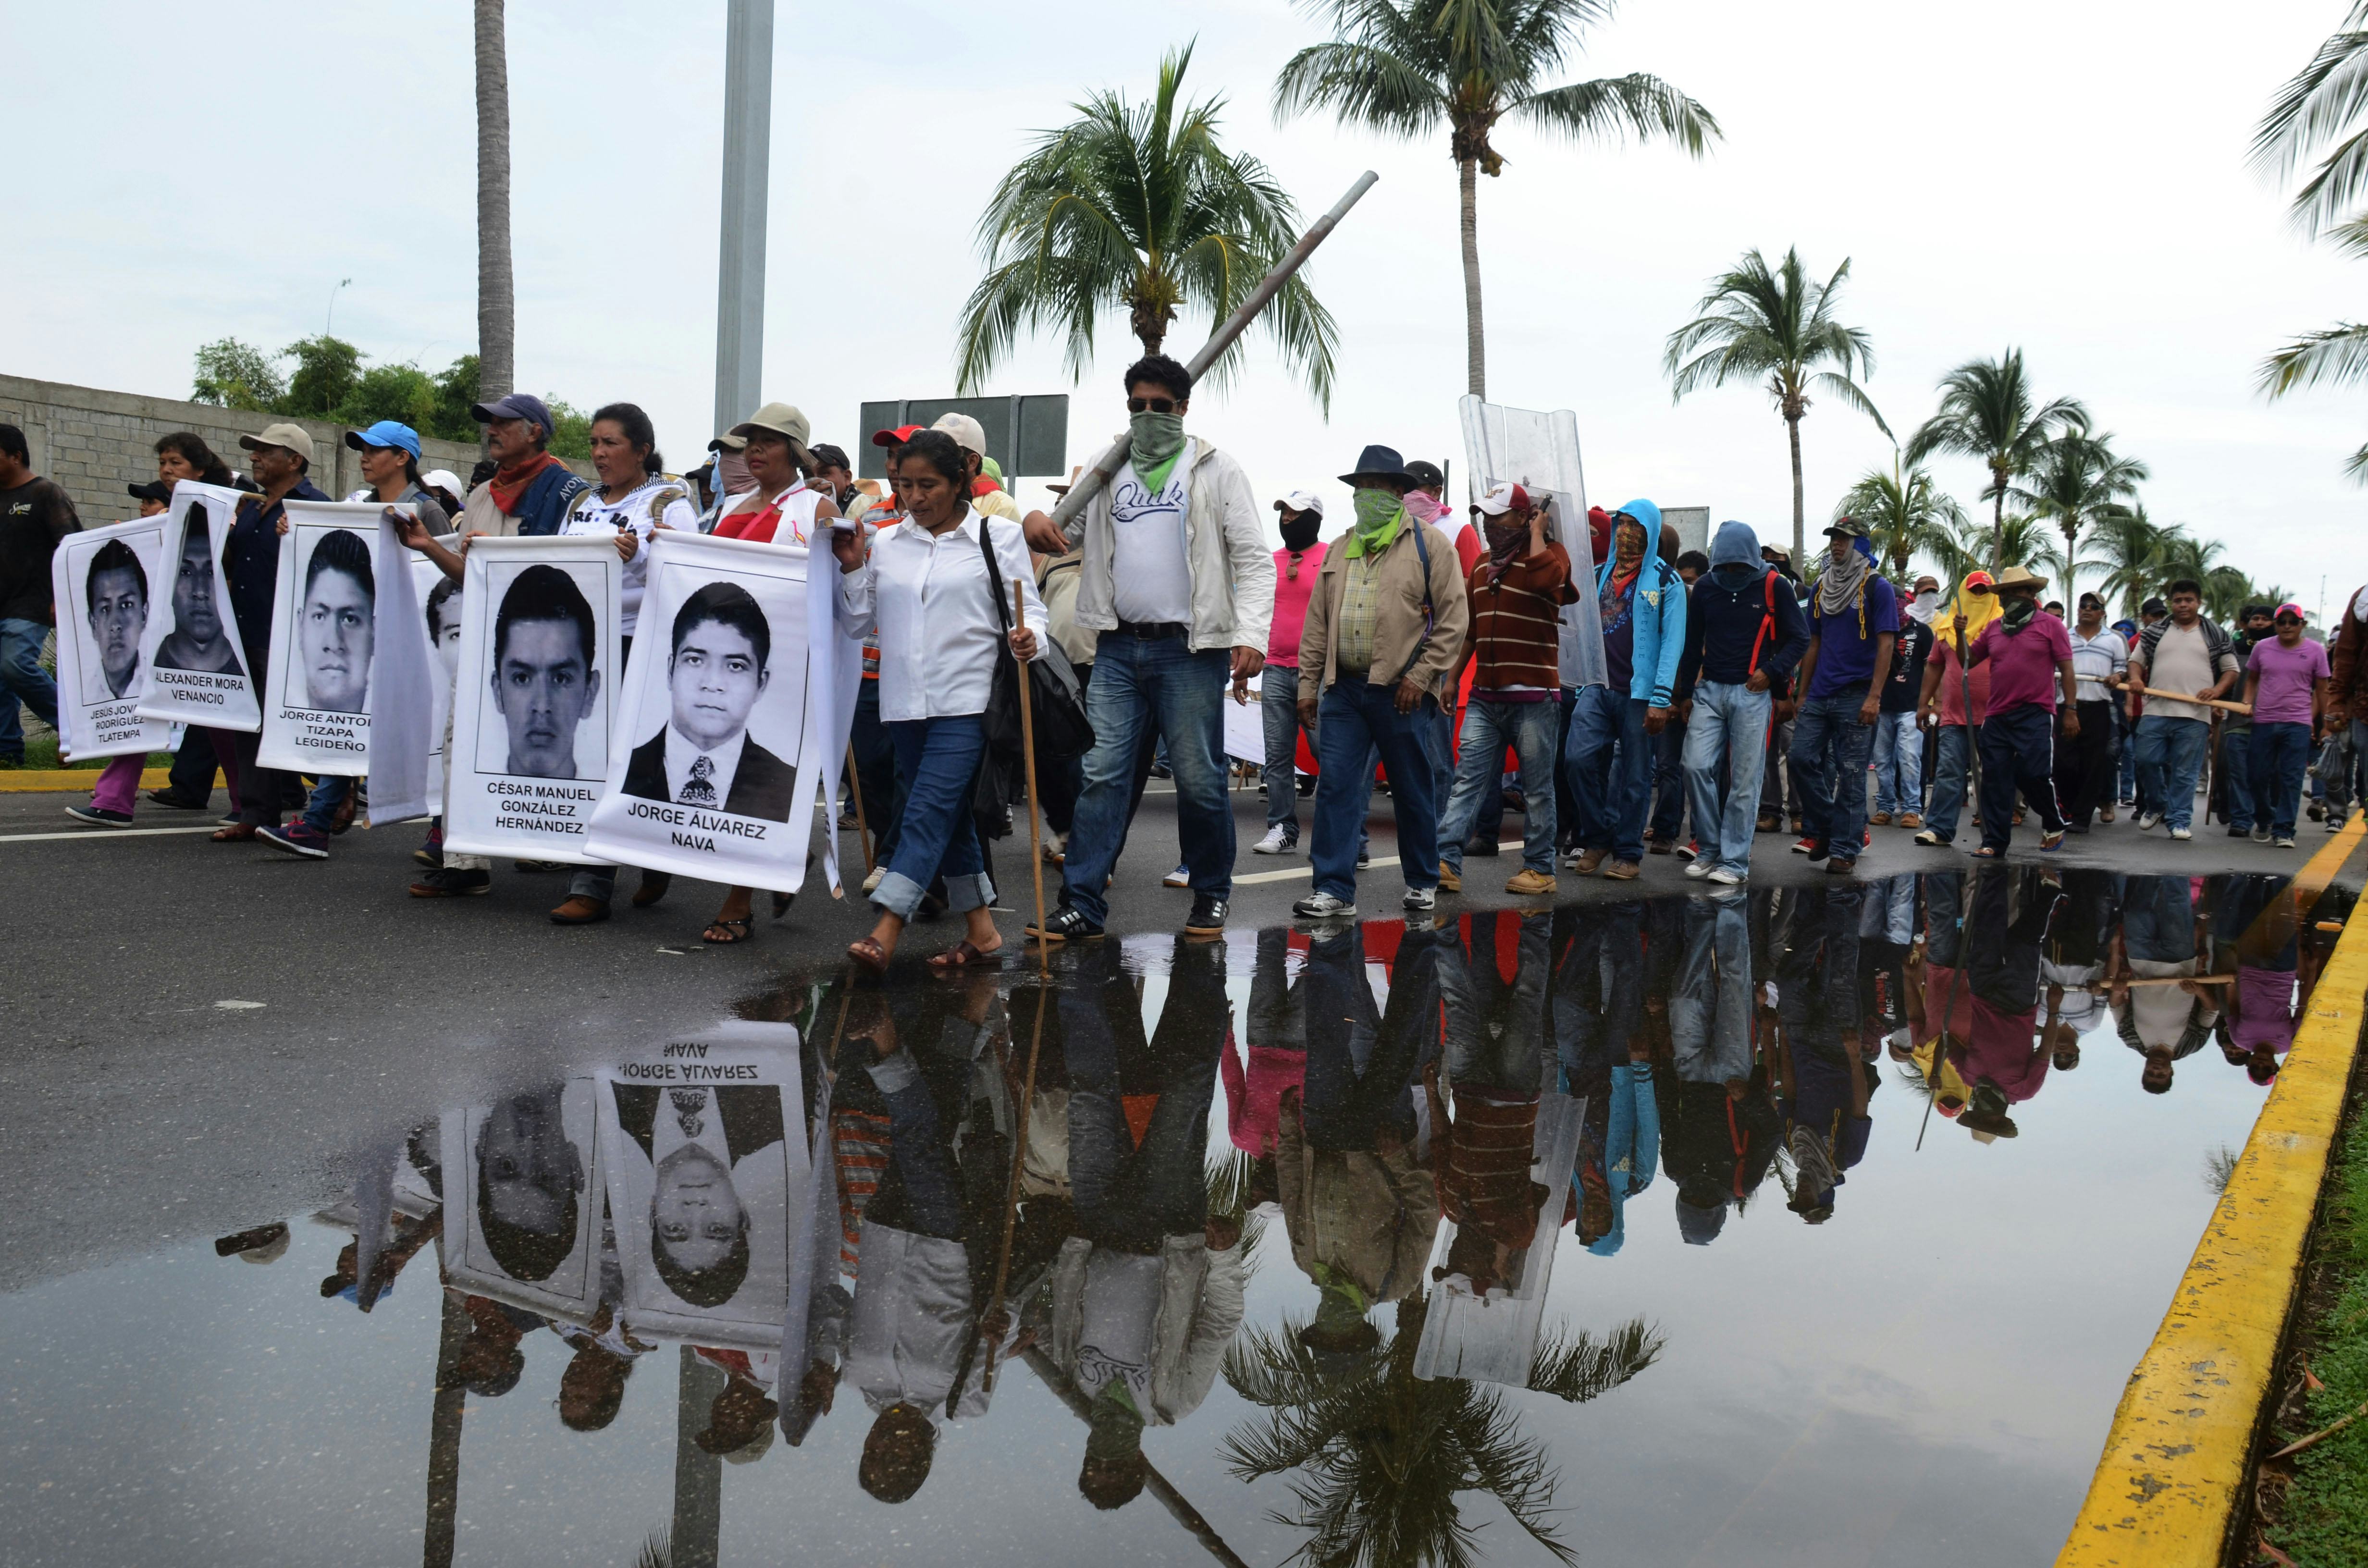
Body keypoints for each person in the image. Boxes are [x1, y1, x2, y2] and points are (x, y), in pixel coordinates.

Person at [1024, 355, 1273, 942]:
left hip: (1189, 652)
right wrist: (1036, 516)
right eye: (1137, 405)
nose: (1148, 415)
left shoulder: (1214, 469)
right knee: (1101, 776)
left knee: (1198, 779)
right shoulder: (1109, 470)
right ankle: (1081, 903)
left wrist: (1250, 634)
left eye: (1160, 406)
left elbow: (1254, 561)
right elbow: (1062, 530)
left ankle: (1211, 894)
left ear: (1183, 408)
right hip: (1115, 648)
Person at [834, 429, 1043, 970]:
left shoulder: (997, 536)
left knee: (925, 810)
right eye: (905, 485)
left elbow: (1031, 615)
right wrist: (854, 566)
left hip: (970, 703)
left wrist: (1029, 639)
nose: (915, 497)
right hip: (902, 703)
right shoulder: (886, 543)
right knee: (949, 818)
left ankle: (886, 928)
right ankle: (983, 931)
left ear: (959, 483)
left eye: (928, 485)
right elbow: (859, 622)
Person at [409, 396, 591, 897]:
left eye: (504, 423)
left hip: (543, 647)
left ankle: (564, 852)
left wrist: (507, 557)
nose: (492, 430)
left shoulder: (571, 494)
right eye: (491, 423)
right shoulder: (485, 494)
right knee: (461, 743)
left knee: (557, 743)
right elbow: (471, 577)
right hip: (484, 643)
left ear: (535, 431)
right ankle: (464, 860)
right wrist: (429, 546)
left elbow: (575, 574)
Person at [1286, 444, 1468, 920]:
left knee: (1411, 788)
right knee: (1337, 788)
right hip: (1344, 690)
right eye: (1360, 487)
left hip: (1401, 694)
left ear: (1398, 492)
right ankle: (1333, 889)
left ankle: (1423, 880)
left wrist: (1422, 675)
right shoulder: (1340, 548)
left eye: (1377, 487)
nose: (1367, 495)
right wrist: (1308, 686)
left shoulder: (1430, 545)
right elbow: (1317, 624)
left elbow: (1453, 619)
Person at [259, 421, 451, 861]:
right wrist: (295, 530)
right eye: (361, 449)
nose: (364, 456)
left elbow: (440, 581)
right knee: (346, 724)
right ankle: (316, 824)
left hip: (413, 647)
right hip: (367, 642)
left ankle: (442, 829)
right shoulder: (358, 507)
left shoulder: (427, 509)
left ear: (402, 458)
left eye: (374, 449)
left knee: (432, 735)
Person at [690, 402, 840, 940]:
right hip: (723, 658)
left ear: (794, 453)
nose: (754, 450)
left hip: (783, 664)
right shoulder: (730, 503)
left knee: (754, 775)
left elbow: (833, 592)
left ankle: (738, 900)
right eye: (748, 441)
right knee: (736, 769)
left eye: (767, 441)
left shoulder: (815, 511)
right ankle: (782, 855)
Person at [546, 403, 694, 924]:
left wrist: (641, 559)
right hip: (583, 645)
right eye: (593, 443)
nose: (598, 453)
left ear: (641, 450)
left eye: (610, 443)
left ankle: (592, 886)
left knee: (614, 762)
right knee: (619, 762)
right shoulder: (581, 503)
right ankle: (651, 851)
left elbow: (687, 574)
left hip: (638, 646)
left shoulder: (668, 502)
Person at [1435, 483, 1572, 895]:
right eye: (1486, 517)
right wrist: (1454, 676)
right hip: (1485, 697)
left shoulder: (1552, 555)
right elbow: (1471, 631)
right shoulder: (1480, 566)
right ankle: (1445, 861)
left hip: (1535, 697)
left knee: (1536, 787)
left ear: (1525, 516)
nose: (1490, 524)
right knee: (1468, 781)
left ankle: (1540, 869)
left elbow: (1549, 580)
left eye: (1500, 516)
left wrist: (1536, 535)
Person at [207, 424, 329, 845]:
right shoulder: (253, 506)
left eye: (266, 451)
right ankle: (255, 813)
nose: (255, 457)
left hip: (291, 639)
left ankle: (336, 800)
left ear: (294, 461)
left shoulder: (316, 507)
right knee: (250, 725)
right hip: (248, 632)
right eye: (254, 451)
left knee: (298, 725)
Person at [1674, 520, 1809, 885]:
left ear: (1751, 560)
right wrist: (1686, 692)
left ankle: (1734, 862)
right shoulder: (1705, 587)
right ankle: (1710, 849)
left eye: (1739, 566)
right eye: (1726, 566)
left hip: (1752, 693)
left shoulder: (1774, 585)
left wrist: (1771, 671)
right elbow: (1692, 642)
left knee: (1745, 781)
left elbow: (1800, 638)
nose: (1732, 573)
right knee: (1695, 766)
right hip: (1710, 691)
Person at [1566, 500, 1686, 881]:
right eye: (1622, 523)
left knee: (1635, 777)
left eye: (1636, 525)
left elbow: (1672, 643)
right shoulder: (1599, 574)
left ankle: (1629, 853)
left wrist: (1661, 698)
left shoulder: (1668, 581)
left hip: (1641, 696)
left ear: (1650, 532)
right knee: (1577, 760)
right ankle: (1599, 836)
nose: (1627, 532)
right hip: (1598, 688)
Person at [1788, 520, 1897, 874]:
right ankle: (1829, 828)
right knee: (1800, 758)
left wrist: (1874, 696)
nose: (1836, 545)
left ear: (1860, 544)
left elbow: (1887, 643)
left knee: (1850, 773)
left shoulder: (1877, 587)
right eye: (1834, 539)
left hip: (1857, 694)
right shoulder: (1822, 586)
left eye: (1844, 540)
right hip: (1820, 692)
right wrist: (1803, 691)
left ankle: (1844, 850)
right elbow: (1813, 641)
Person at [1957, 565, 2077, 858]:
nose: (2013, 596)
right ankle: (1995, 842)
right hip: (1997, 715)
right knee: (1994, 779)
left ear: (2033, 593)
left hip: (2035, 711)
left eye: (2019, 591)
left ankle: (2053, 821)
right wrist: (1961, 635)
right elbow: (1968, 661)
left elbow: (2067, 668)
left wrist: (2071, 709)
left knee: (2034, 773)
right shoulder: (1994, 628)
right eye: (2008, 592)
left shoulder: (2051, 625)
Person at [2128, 578, 2240, 841]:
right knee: (2145, 760)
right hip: (2156, 709)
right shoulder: (2156, 631)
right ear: (2171, 603)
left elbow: (2231, 670)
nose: (2183, 605)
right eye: (2178, 600)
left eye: (2189, 600)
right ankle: (2156, 805)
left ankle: (2179, 820)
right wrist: (2135, 679)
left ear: (2199, 603)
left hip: (2195, 715)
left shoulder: (2214, 633)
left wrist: (2216, 692)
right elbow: (2136, 662)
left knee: (2185, 772)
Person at [0, 423, 81, 766]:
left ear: (15, 457)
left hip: (32, 602)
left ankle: (75, 729)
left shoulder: (46, 493)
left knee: (15, 664)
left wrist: (60, 597)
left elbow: (73, 547)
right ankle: (6, 751)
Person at [1252, 490, 1327, 857]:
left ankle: (1338, 833)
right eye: (1283, 513)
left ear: (1314, 519)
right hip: (1275, 669)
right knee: (1277, 756)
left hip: (1320, 673)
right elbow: (1258, 612)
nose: (1287, 520)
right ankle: (1282, 828)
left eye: (1296, 515)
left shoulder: (1331, 557)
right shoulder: (1271, 561)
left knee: (1328, 755)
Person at [1913, 572, 1997, 847]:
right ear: (1963, 594)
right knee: (1949, 770)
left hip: (1995, 715)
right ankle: (1939, 828)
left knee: (1994, 773)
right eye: (1974, 591)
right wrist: (1923, 704)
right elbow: (1935, 665)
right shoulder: (1947, 626)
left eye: (1985, 591)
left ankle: (1993, 832)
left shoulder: (2001, 625)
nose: (1980, 596)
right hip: (1954, 713)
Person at [2245, 604, 2329, 847]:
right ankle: (2264, 820)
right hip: (2264, 721)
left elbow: (2323, 689)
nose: (2288, 627)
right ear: (2275, 624)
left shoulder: (2316, 651)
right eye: (2282, 622)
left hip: (2298, 723)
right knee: (2257, 776)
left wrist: (2324, 723)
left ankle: (2284, 830)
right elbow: (2252, 680)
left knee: (2291, 778)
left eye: (2294, 622)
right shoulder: (2262, 648)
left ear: (2302, 625)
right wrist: (2248, 702)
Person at [2059, 592, 2130, 832]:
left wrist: (2117, 677)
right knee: (2063, 763)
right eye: (2083, 605)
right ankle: (2066, 811)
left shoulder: (2114, 640)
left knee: (2093, 765)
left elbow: (2122, 670)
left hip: (2098, 707)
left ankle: (2081, 819)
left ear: (2103, 613)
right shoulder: (2064, 636)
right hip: (2066, 706)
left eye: (2094, 606)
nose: (2087, 609)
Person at [1872, 574, 1937, 829]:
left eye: (1897, 602)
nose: (1894, 607)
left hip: (1912, 707)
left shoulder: (1922, 632)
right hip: (1881, 706)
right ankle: (1886, 807)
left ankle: (1912, 808)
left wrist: (1933, 703)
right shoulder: (1878, 631)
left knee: (1910, 757)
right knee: (1882, 760)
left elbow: (1933, 669)